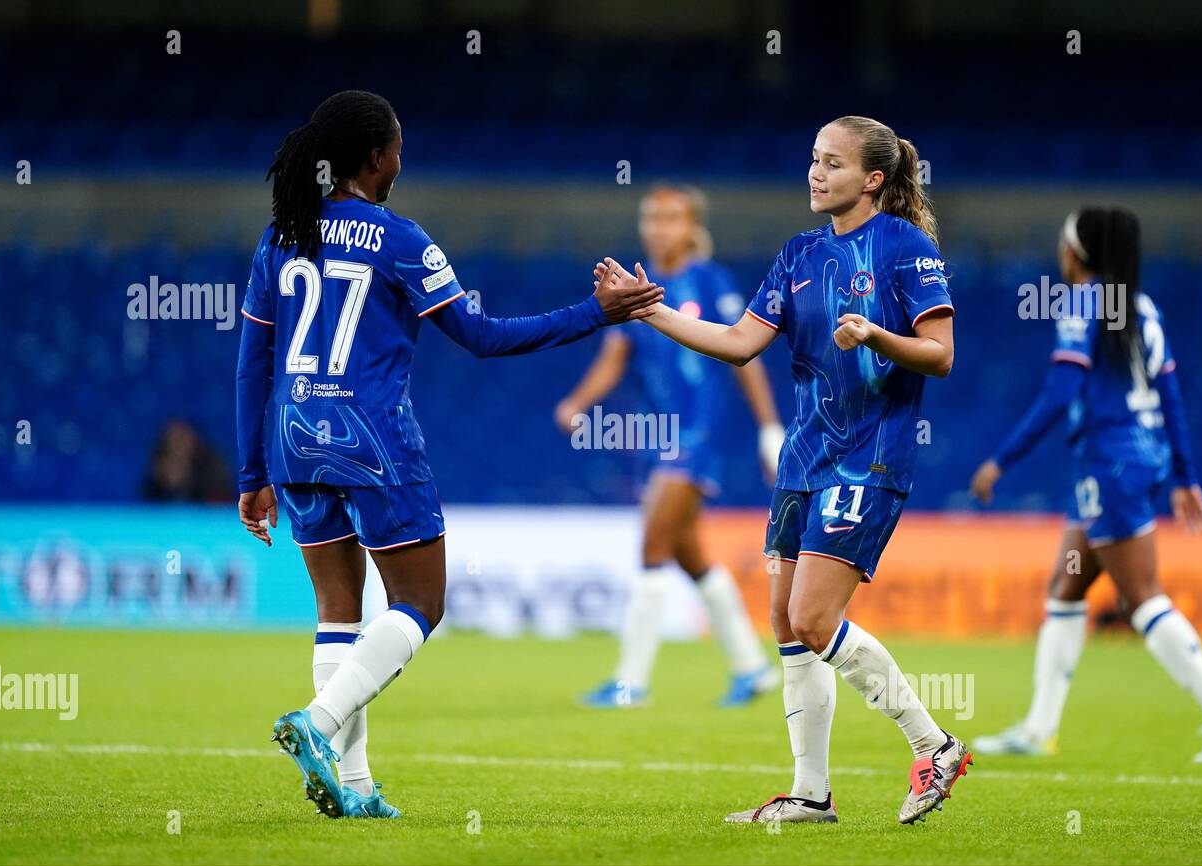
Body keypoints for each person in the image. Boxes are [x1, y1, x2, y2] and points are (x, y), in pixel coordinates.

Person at [235, 90, 662, 818]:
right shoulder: (399, 238)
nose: (402, 160)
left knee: (338, 606)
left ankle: (358, 786)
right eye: (397, 148)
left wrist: (251, 473)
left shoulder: (281, 239)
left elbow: (253, 363)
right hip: (371, 436)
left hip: (293, 436)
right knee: (420, 603)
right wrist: (596, 313)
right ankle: (319, 722)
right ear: (377, 158)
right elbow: (483, 337)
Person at [597, 116, 971, 825]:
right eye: (812, 159)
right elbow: (738, 343)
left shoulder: (903, 246)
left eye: (832, 163)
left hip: (870, 457)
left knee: (813, 614)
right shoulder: (798, 253)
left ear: (872, 179)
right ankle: (809, 793)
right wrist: (649, 311)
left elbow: (942, 352)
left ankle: (936, 743)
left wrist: (876, 335)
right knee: (785, 622)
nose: (815, 172)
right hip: (805, 460)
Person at [970, 207, 1202, 763]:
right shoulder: (1141, 306)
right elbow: (1170, 394)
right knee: (1067, 587)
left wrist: (1000, 461)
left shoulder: (1081, 302)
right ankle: (1038, 728)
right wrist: (1182, 475)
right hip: (1136, 459)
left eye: (1062, 243)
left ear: (1075, 254)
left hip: (1111, 464)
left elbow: (1059, 392)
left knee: (1141, 596)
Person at [556, 185, 784, 708]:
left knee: (652, 546)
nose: (660, 227)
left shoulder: (711, 280)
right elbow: (614, 357)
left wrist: (770, 429)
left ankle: (629, 684)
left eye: (672, 218)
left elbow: (743, 357)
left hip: (696, 439)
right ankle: (753, 668)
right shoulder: (641, 291)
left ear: (692, 226)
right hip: (660, 438)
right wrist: (578, 402)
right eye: (652, 217)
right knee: (691, 556)